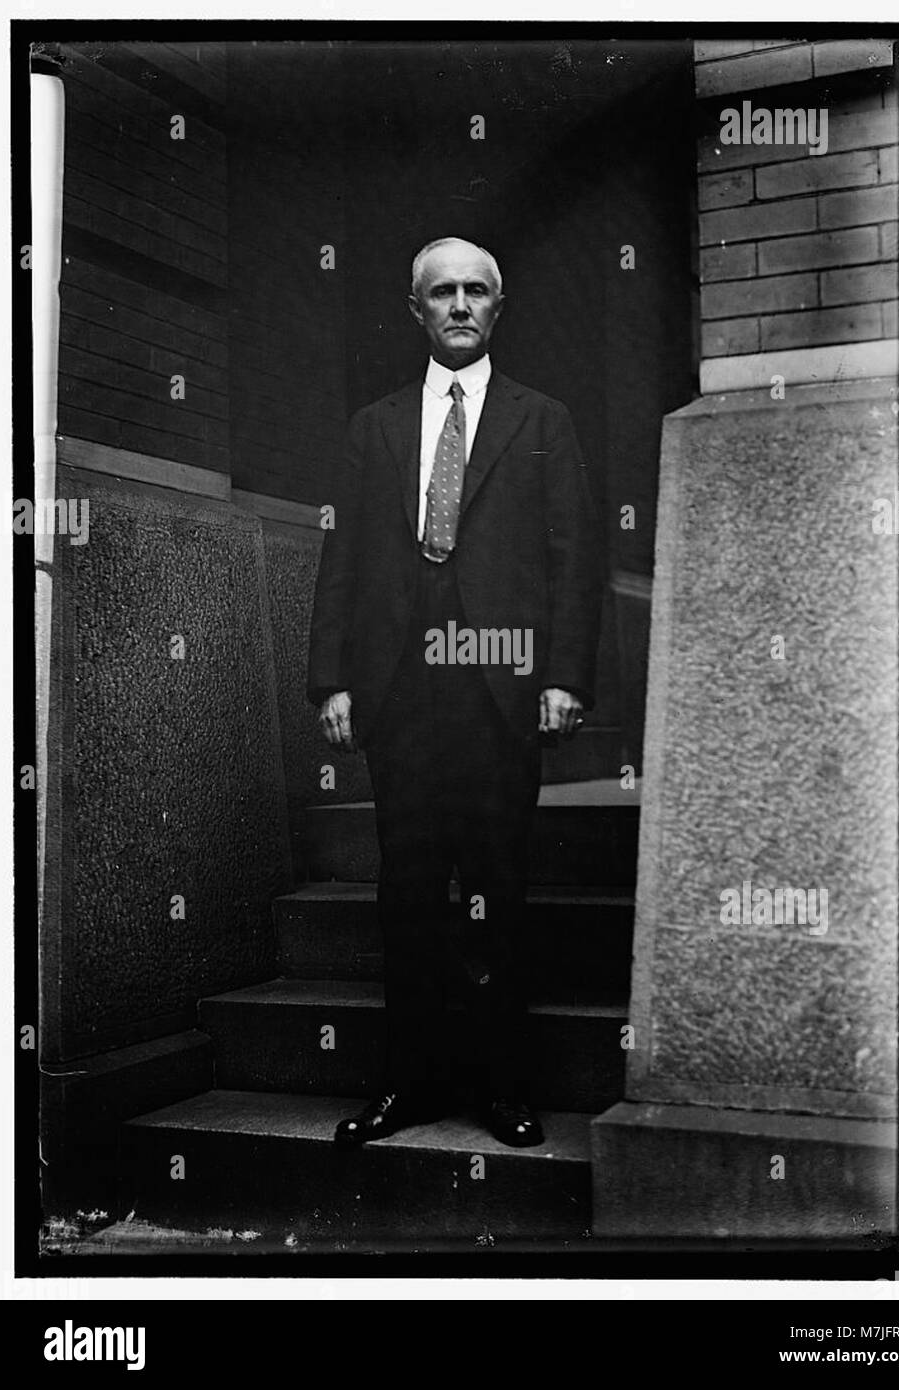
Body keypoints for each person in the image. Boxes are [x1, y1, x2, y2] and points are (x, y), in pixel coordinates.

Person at [307, 236, 602, 1147]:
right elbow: (344, 559)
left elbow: (574, 558)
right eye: (443, 294)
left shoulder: (541, 420)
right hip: (401, 694)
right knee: (407, 895)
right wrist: (332, 680)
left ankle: (502, 1085)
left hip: (497, 689)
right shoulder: (376, 426)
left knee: (498, 893)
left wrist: (563, 676)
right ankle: (411, 1085)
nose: (461, 306)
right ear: (417, 311)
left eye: (477, 291)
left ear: (499, 307)